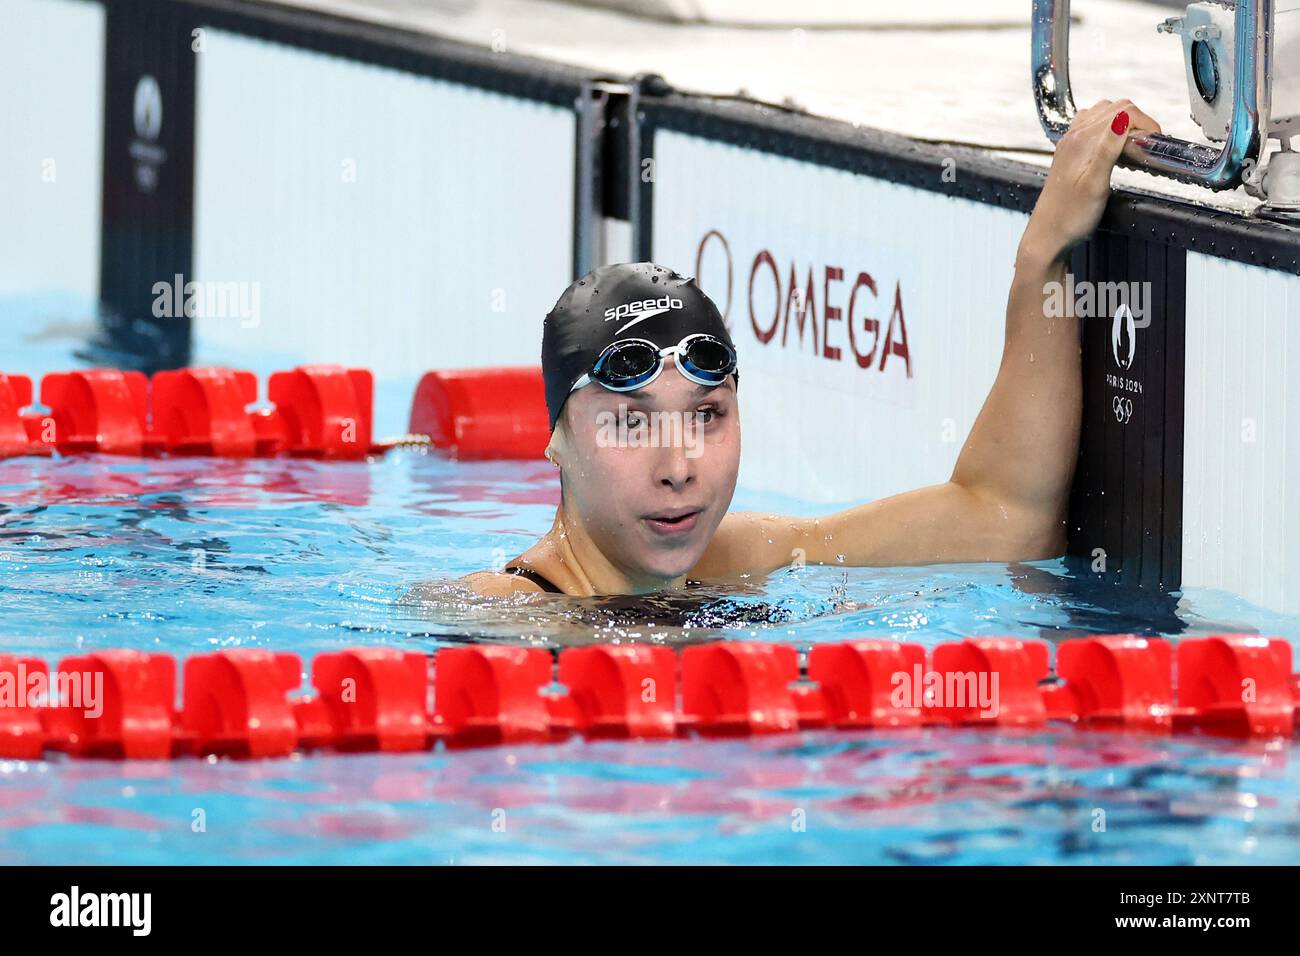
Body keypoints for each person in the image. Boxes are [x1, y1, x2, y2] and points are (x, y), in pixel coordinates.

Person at [463, 99, 1162, 598]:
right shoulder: (503, 622)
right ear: (556, 437)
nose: (678, 470)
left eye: (706, 416)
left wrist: (1043, 254)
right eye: (632, 422)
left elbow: (1006, 520)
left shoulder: (744, 559)